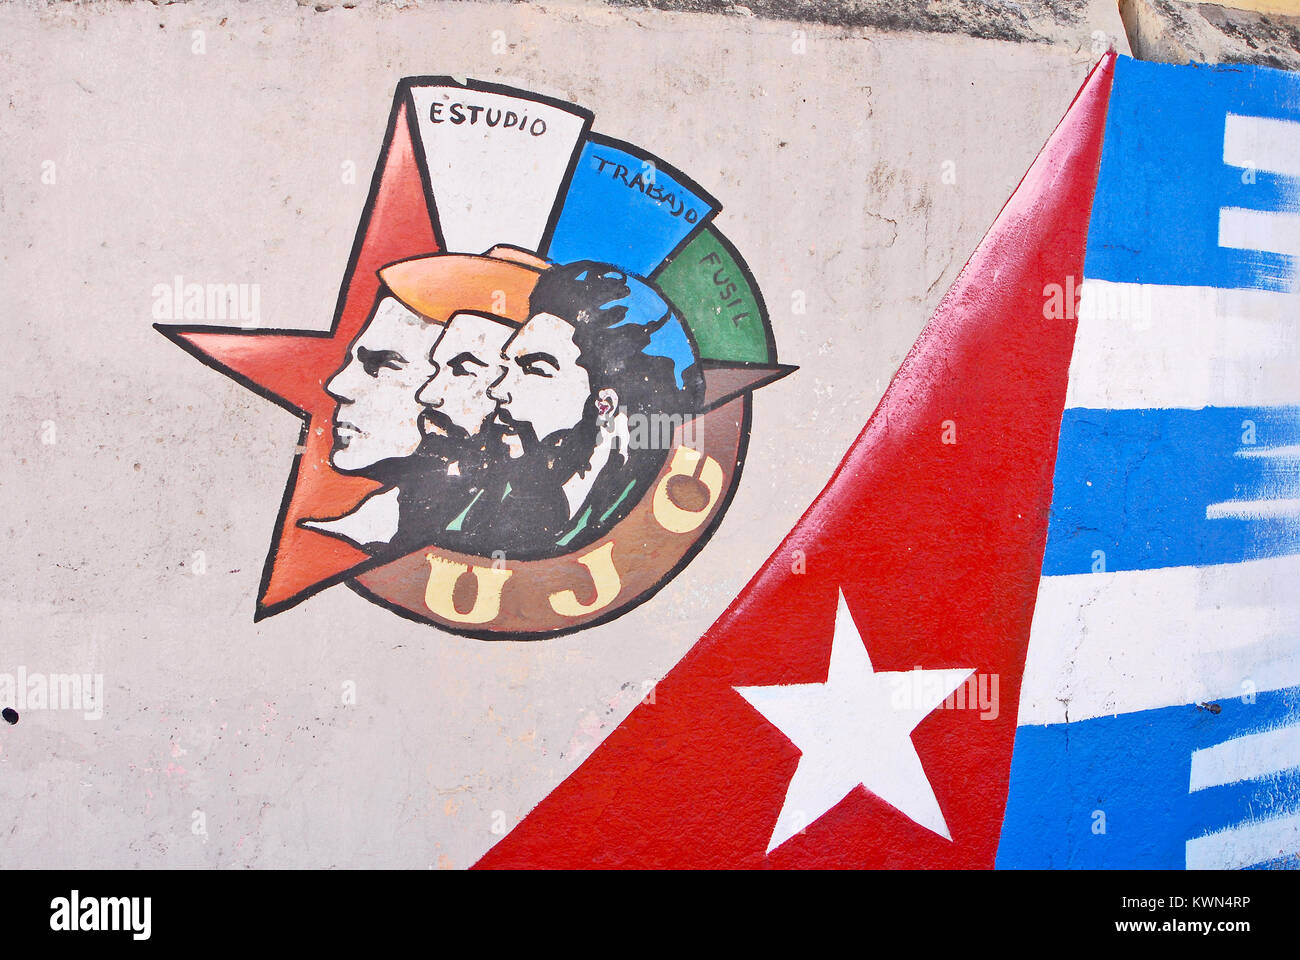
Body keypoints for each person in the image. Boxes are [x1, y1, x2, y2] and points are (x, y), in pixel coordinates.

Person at [486, 261, 704, 554]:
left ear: (605, 405)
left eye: (533, 370)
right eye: (506, 369)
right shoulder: (493, 504)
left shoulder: (631, 513)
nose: (497, 391)